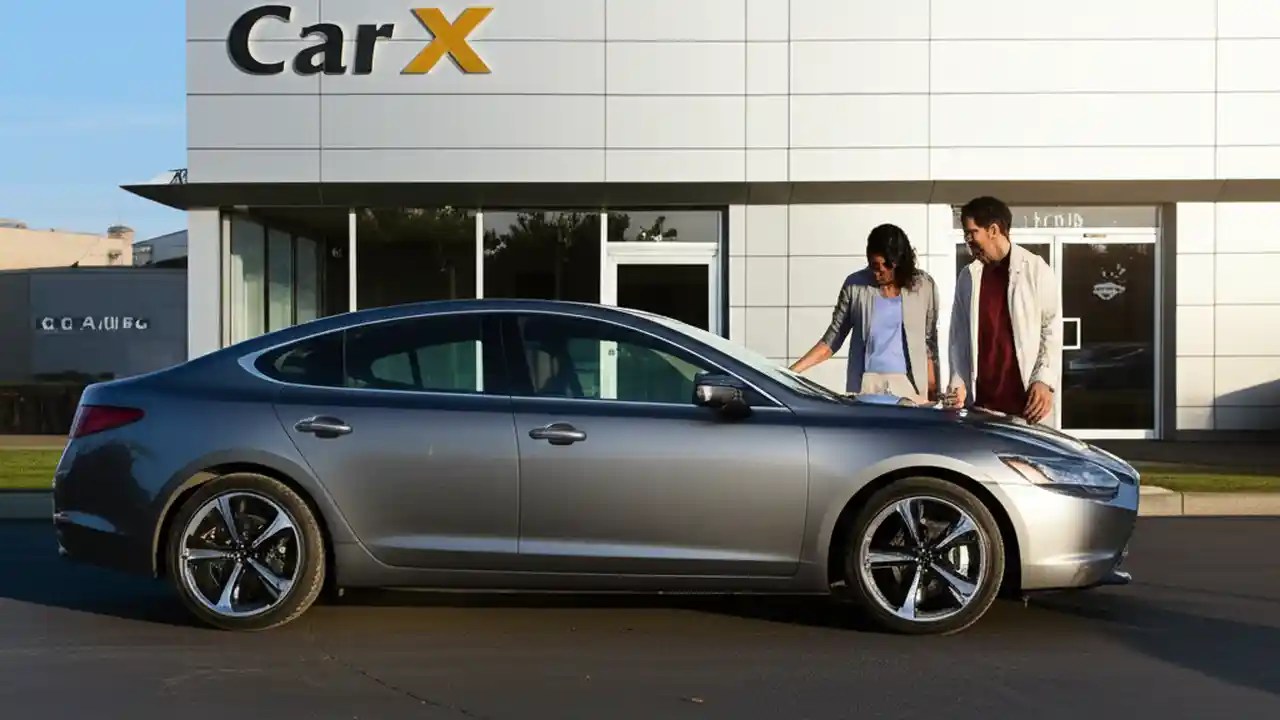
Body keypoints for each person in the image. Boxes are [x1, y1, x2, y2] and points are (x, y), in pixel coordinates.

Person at [790, 223, 940, 403]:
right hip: (867, 386)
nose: (877, 273)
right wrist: (791, 373)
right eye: (873, 266)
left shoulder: (924, 286)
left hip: (910, 388)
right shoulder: (855, 285)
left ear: (898, 262)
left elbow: (929, 342)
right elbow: (833, 339)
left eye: (883, 267)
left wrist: (933, 390)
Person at [945, 196, 1061, 426]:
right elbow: (958, 337)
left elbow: (1051, 329)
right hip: (982, 408)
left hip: (1027, 406)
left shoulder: (1036, 269)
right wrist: (958, 383)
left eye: (972, 232)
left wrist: (1044, 381)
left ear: (994, 230)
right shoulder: (968, 277)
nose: (968, 240)